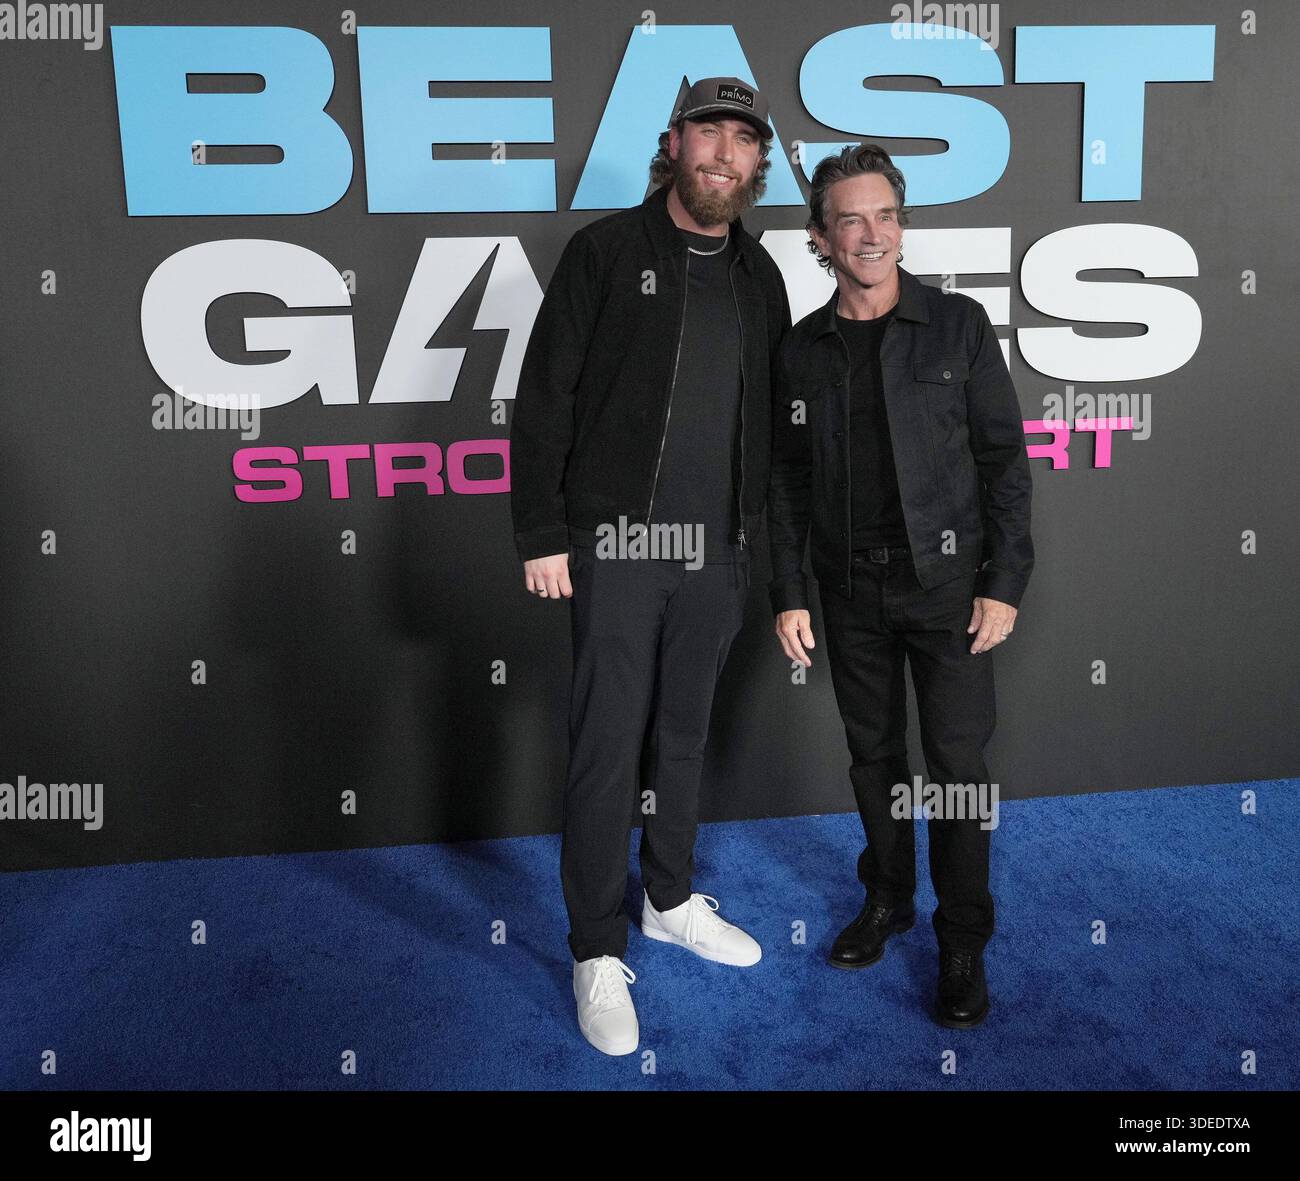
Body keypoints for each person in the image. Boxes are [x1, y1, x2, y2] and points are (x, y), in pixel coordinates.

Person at [510, 77, 792, 1055]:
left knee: (683, 736)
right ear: (673, 145)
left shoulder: (763, 279)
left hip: (717, 556)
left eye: (741, 140)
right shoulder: (604, 252)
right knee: (605, 745)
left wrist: (759, 548)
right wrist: (543, 533)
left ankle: (668, 896)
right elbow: (545, 397)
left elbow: (766, 430)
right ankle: (595, 945)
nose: (723, 152)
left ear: (759, 163)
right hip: (619, 548)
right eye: (707, 133)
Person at [768, 143, 1033, 1028]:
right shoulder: (800, 351)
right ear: (820, 238)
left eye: (885, 215)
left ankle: (963, 938)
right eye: (851, 219)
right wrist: (788, 590)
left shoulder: (958, 326)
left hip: (950, 591)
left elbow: (1004, 462)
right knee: (875, 759)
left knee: (956, 767)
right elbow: (785, 483)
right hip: (848, 595)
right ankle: (887, 899)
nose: (871, 234)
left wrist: (1004, 580)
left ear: (902, 227)